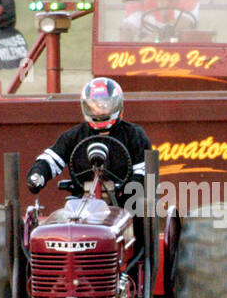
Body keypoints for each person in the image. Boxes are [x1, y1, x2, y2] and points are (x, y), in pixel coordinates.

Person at [27, 77, 150, 206]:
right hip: (82, 203)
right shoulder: (73, 136)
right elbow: (51, 159)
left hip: (125, 202)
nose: (101, 110)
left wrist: (127, 189)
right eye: (95, 105)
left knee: (141, 210)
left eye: (105, 104)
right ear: (86, 106)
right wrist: (38, 175)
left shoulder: (134, 134)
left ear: (117, 104)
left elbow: (144, 170)